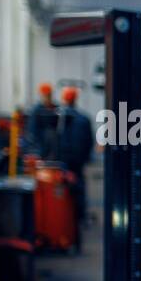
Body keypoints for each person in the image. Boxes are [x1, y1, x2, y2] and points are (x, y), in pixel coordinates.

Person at [55, 87, 94, 229]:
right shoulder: (83, 118)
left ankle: (63, 216)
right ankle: (80, 215)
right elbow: (89, 141)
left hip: (62, 160)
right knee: (79, 187)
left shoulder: (58, 118)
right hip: (78, 160)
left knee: (60, 189)